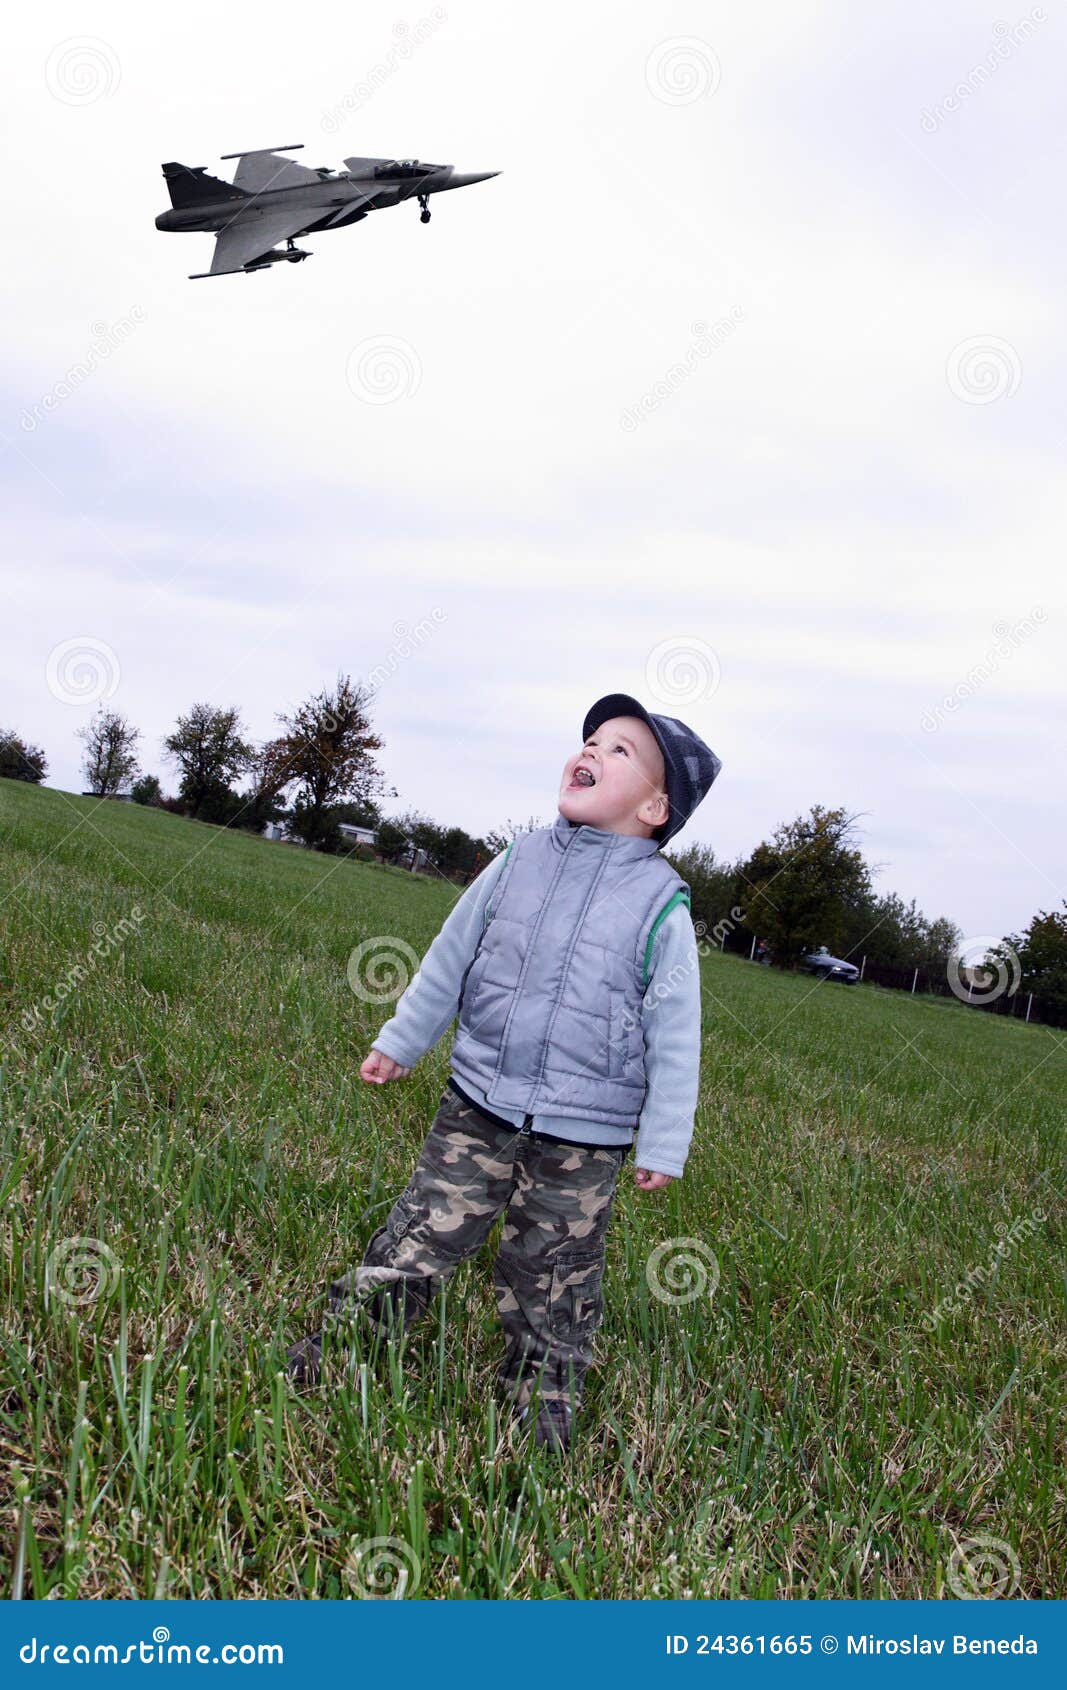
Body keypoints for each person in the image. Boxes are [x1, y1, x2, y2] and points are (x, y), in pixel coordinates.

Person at [286, 691, 722, 1452]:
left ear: (656, 806)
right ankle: (343, 1346)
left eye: (618, 750)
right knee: (421, 1232)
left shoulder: (662, 905)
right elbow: (451, 954)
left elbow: (675, 1029)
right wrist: (402, 1039)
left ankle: (542, 1392)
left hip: (585, 1136)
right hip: (478, 1102)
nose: (590, 751)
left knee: (552, 1270)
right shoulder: (519, 861)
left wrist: (662, 1141)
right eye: (588, 739)